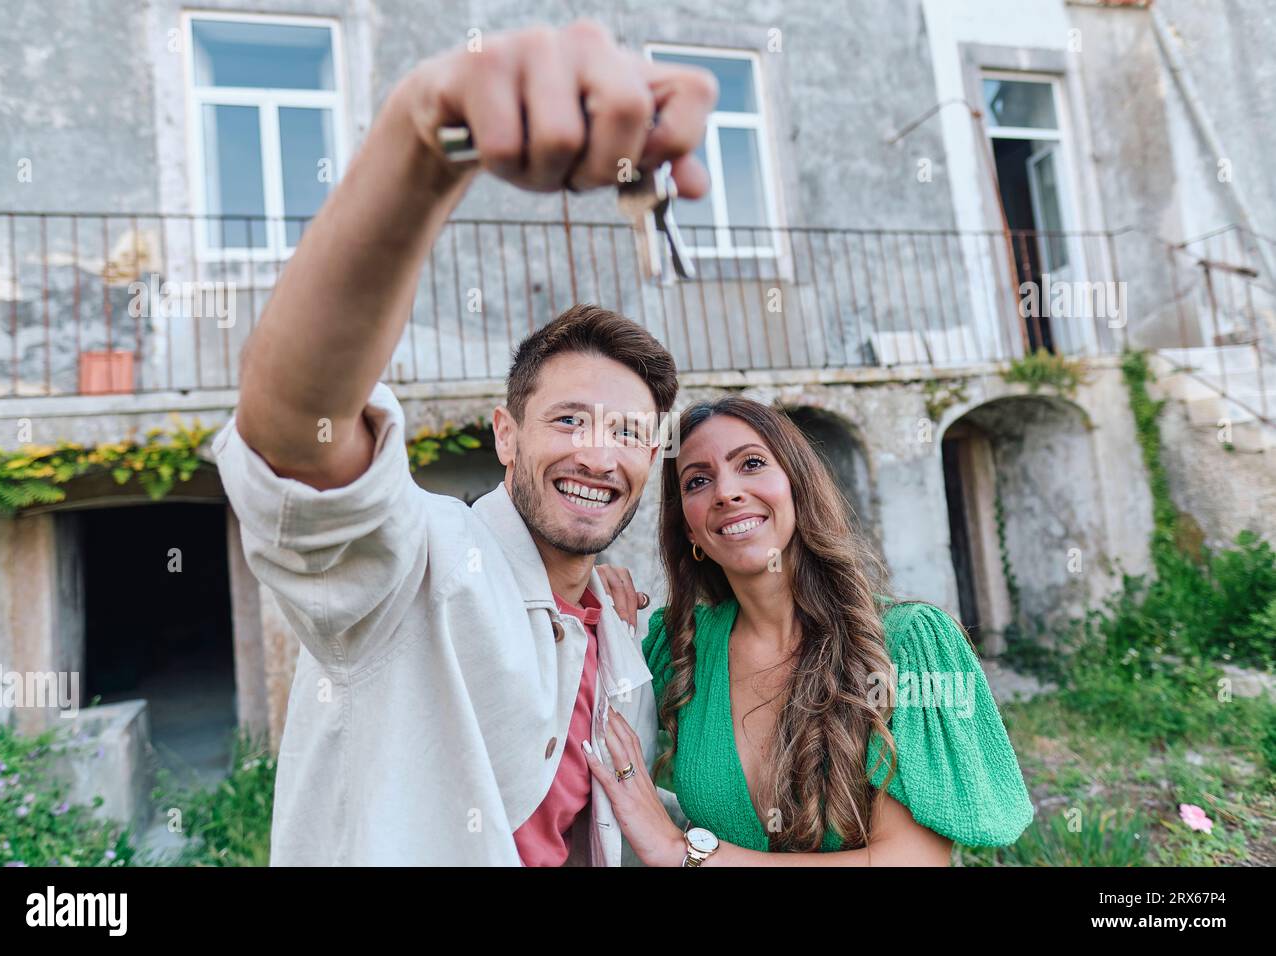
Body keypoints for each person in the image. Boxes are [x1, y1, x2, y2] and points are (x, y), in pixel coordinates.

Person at [211, 20, 717, 865]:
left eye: (629, 432)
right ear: (506, 437)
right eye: (569, 421)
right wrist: (421, 145)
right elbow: (299, 444)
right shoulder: (413, 572)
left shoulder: (620, 636)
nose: (600, 454)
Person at [591, 397, 1035, 865]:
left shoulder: (909, 643)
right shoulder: (679, 647)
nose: (726, 492)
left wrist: (686, 854)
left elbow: (910, 859)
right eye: (698, 481)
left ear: (798, 488)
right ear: (691, 532)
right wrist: (583, 589)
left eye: (752, 463)